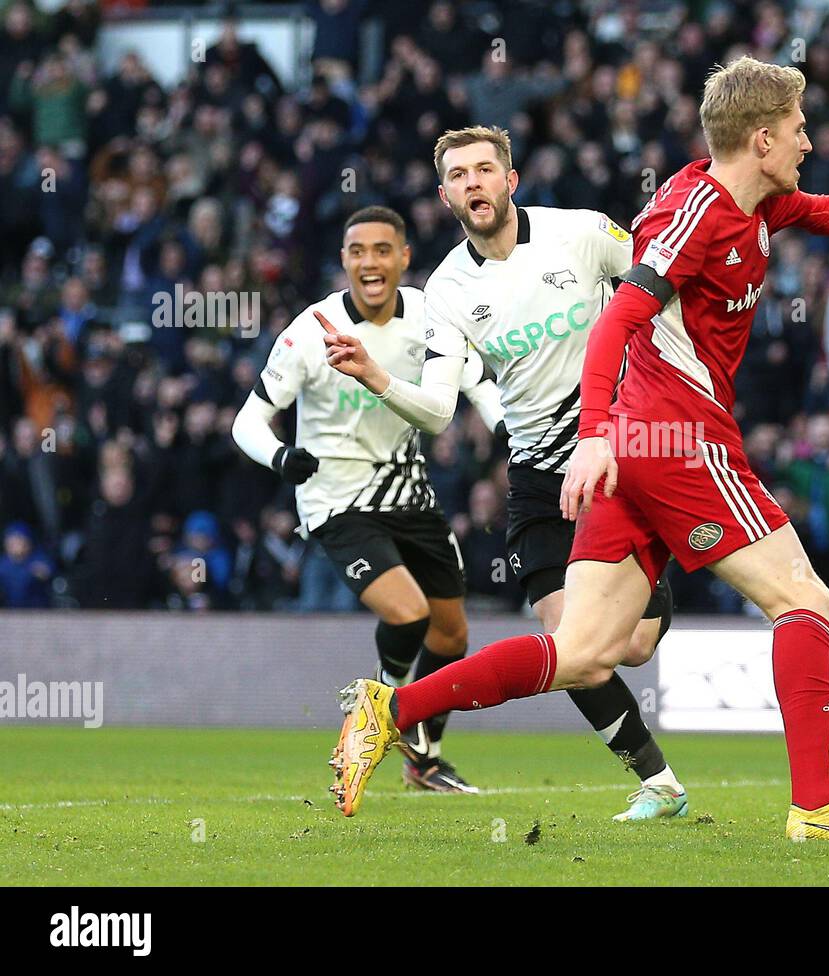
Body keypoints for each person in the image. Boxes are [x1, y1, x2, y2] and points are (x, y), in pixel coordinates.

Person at [331, 56, 829, 839]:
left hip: (639, 444)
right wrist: (594, 434)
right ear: (762, 137)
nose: (808, 140)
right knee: (805, 599)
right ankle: (817, 806)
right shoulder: (694, 214)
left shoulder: (752, 199)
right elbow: (616, 321)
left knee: (587, 653)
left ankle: (391, 707)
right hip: (676, 436)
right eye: (799, 128)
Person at [321, 126, 687, 822]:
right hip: (540, 484)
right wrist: (374, 377)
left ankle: (644, 601)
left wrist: (665, 381)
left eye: (485, 170)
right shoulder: (447, 293)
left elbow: (660, 286)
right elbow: (435, 409)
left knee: (633, 645)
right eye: (458, 175)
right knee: (574, 645)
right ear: (445, 195)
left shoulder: (581, 234)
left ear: (511, 180)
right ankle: (660, 783)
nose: (473, 183)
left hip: (615, 463)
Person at [234, 206, 504, 792]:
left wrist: (505, 427)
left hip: (410, 493)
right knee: (408, 613)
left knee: (452, 636)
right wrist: (279, 456)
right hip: (336, 499)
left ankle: (423, 759)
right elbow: (248, 422)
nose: (370, 261)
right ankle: (370, 722)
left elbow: (477, 380)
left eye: (383, 249)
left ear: (403, 258)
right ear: (345, 262)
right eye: (359, 251)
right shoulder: (310, 330)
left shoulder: (431, 317)